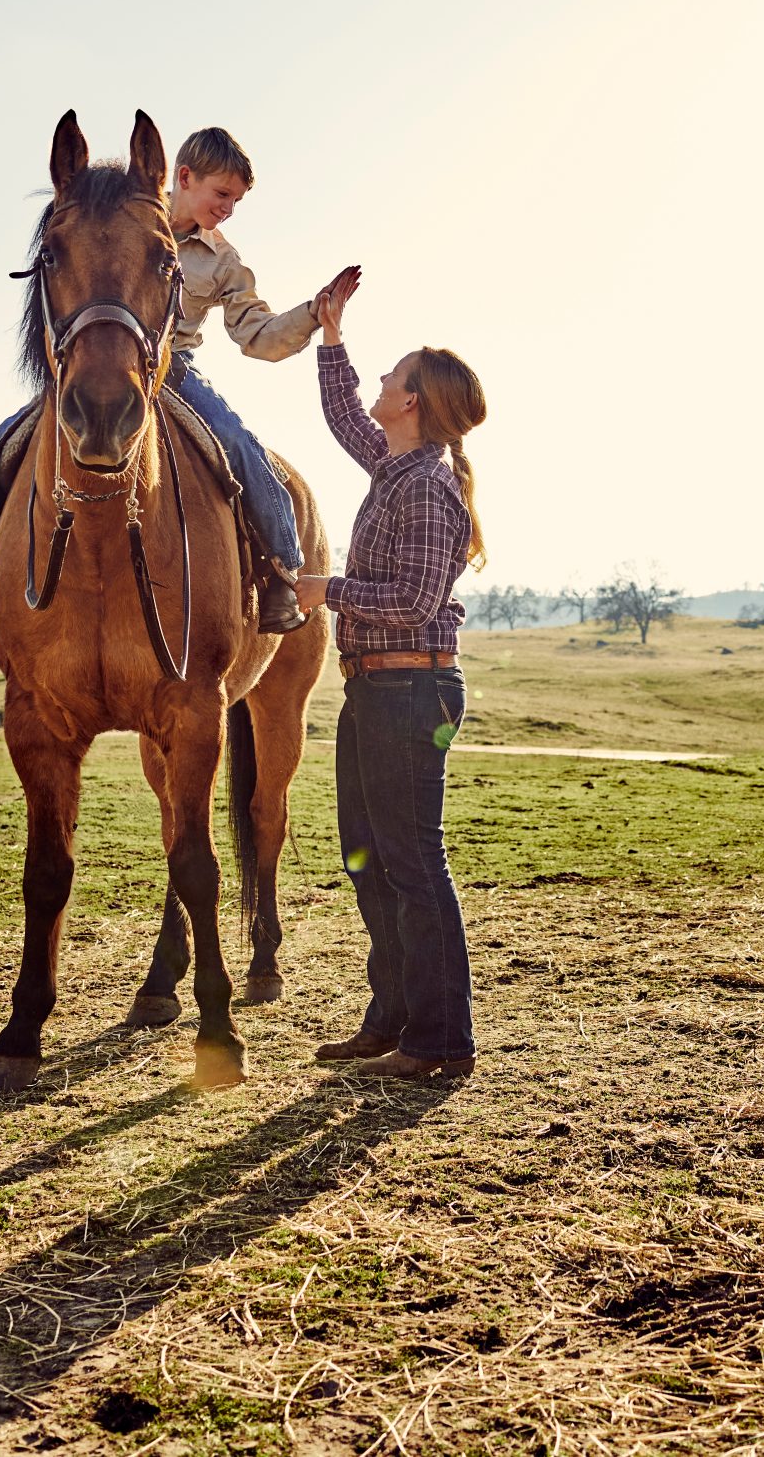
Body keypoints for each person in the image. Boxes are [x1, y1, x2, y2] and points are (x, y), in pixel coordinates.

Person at [0, 126, 360, 638]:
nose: (229, 208)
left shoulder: (222, 260)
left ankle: (281, 570)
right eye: (223, 194)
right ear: (184, 177)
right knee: (1, 444)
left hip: (172, 368)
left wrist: (312, 314)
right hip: (101, 361)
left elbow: (259, 335)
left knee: (238, 443)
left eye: (237, 200)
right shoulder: (124, 212)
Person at [298, 291, 488, 1081]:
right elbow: (346, 415)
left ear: (411, 401)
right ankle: (394, 1019)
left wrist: (326, 591)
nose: (377, 380)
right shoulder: (396, 464)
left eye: (390, 374)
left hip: (409, 694)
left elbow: (412, 603)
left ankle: (441, 1043)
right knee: (369, 861)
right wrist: (330, 337)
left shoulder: (426, 488)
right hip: (375, 691)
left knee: (413, 866)